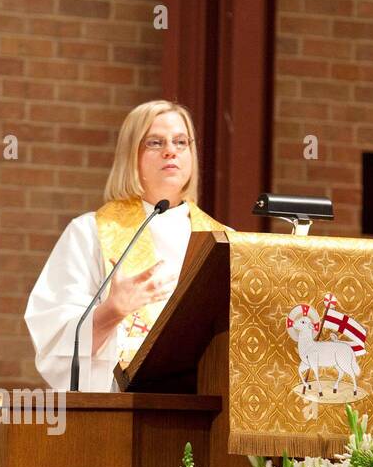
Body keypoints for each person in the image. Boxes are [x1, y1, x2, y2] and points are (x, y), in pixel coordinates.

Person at [24, 100, 232, 391]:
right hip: (122, 405)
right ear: (130, 155)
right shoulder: (90, 232)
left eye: (181, 142)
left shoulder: (225, 241)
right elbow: (55, 343)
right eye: (155, 142)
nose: (170, 150)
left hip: (204, 402)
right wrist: (112, 311)